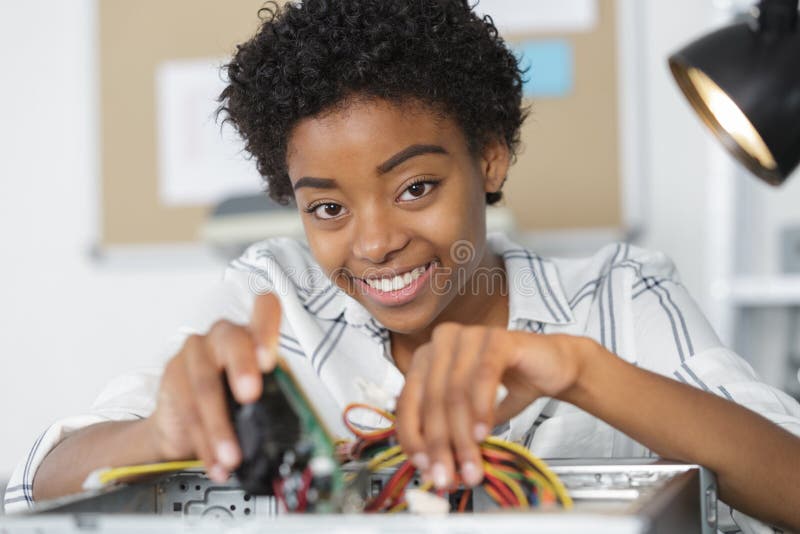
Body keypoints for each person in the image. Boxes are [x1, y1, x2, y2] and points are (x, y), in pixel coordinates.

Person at [6, 0, 800, 530]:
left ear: (490, 159)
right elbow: (35, 484)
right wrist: (155, 431)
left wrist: (578, 372)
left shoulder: (616, 295)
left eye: (416, 187)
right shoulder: (271, 295)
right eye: (328, 208)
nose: (376, 243)